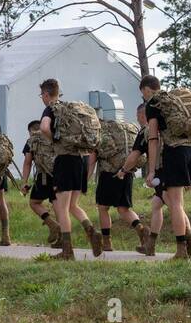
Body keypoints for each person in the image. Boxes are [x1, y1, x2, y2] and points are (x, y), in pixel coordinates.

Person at [39, 78, 101, 260]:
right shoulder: (69, 108)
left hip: (65, 161)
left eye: (41, 95)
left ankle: (67, 251)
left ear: (46, 94)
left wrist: (54, 141)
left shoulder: (51, 108)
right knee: (73, 205)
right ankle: (91, 231)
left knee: (63, 207)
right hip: (81, 159)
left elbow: (43, 127)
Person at [141, 75, 191, 261]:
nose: (144, 97)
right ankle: (188, 237)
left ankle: (182, 249)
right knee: (171, 201)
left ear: (147, 89)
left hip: (175, 152)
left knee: (175, 203)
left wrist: (151, 170)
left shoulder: (154, 104)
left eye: (143, 93)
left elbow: (152, 138)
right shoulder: (174, 101)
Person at [116, 102, 167, 255]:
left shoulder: (146, 132)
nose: (137, 119)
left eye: (138, 116)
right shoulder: (164, 129)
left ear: (142, 115)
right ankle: (150, 245)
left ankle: (187, 241)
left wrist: (123, 170)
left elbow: (134, 156)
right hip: (174, 169)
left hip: (162, 172)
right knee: (157, 204)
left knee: (174, 205)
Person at [92, 127, 145, 256]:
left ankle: (107, 242)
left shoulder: (100, 132)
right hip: (127, 172)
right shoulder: (128, 130)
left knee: (103, 208)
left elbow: (92, 159)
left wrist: (87, 178)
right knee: (124, 209)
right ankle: (142, 230)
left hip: (108, 174)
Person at [19, 119, 61, 246]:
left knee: (34, 203)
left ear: (30, 131)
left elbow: (27, 162)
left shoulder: (32, 140)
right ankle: (62, 238)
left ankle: (52, 224)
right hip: (59, 176)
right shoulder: (55, 136)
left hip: (43, 177)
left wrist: (24, 182)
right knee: (58, 207)